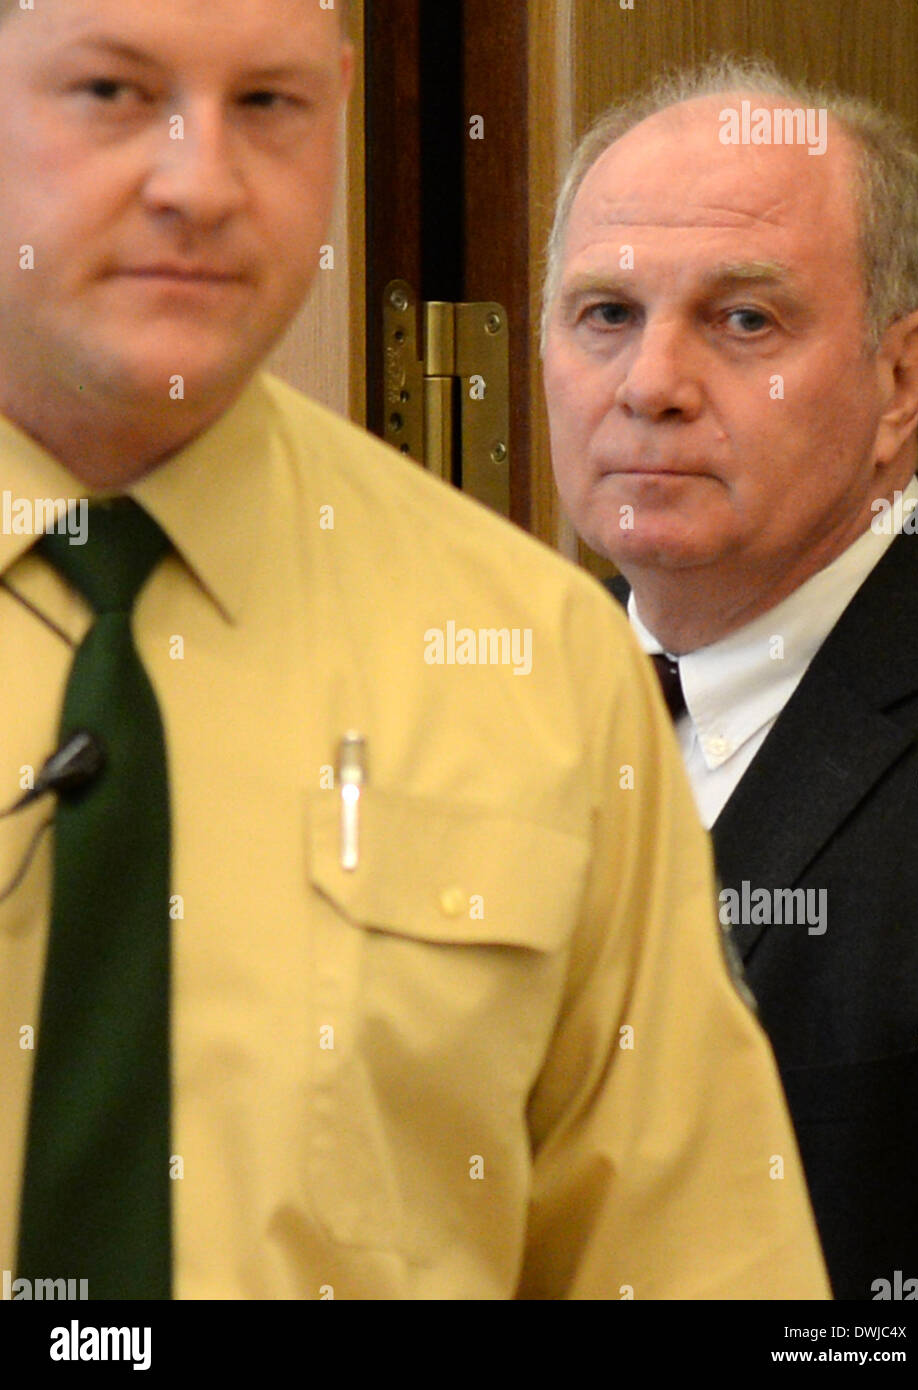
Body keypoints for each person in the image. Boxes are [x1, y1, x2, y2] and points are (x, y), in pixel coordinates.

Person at [0, 6, 828, 1300]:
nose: (200, 182)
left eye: (268, 106)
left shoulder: (537, 659)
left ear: (336, 108)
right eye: (113, 91)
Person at [543, 54, 918, 1301]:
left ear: (898, 380)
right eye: (605, 314)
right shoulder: (484, 697)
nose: (651, 386)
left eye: (742, 321)